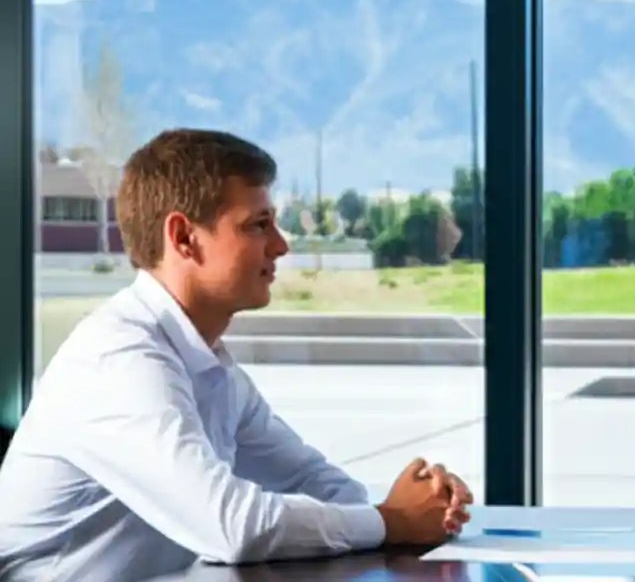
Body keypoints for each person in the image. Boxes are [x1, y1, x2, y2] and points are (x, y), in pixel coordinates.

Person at [0, 129, 473, 582]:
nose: (281, 245)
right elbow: (233, 525)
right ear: (184, 238)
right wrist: (392, 521)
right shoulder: (118, 358)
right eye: (258, 225)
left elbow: (310, 481)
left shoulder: (208, 365)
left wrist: (422, 506)